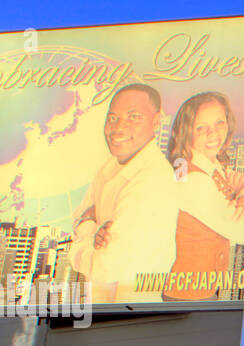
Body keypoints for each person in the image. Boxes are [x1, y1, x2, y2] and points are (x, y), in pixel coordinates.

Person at [71, 84, 179, 304]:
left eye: (133, 117)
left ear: (156, 122)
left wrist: (87, 229)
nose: (118, 128)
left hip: (133, 315)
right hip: (100, 309)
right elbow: (77, 217)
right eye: (112, 118)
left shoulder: (153, 178)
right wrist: (92, 235)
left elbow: (105, 267)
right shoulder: (109, 168)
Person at [162, 92, 244, 302]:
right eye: (201, 128)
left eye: (219, 123)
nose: (213, 133)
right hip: (186, 295)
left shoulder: (213, 166)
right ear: (185, 132)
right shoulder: (192, 178)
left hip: (205, 288)